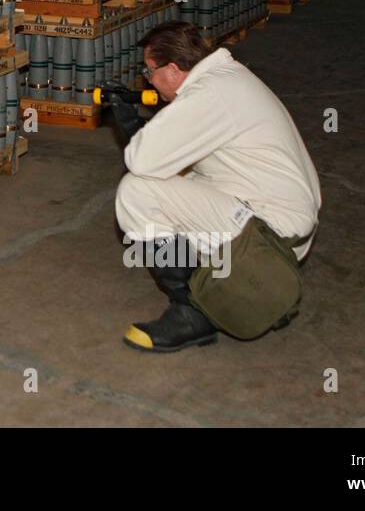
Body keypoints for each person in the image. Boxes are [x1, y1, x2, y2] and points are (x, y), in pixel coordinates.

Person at [108, 21, 321, 353]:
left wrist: (134, 130)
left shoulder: (209, 94)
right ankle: (241, 285)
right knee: (178, 181)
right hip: (273, 216)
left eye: (150, 72)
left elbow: (142, 161)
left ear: (175, 69)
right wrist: (145, 126)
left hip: (271, 234)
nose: (147, 81)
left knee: (137, 192)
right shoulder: (226, 78)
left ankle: (193, 312)